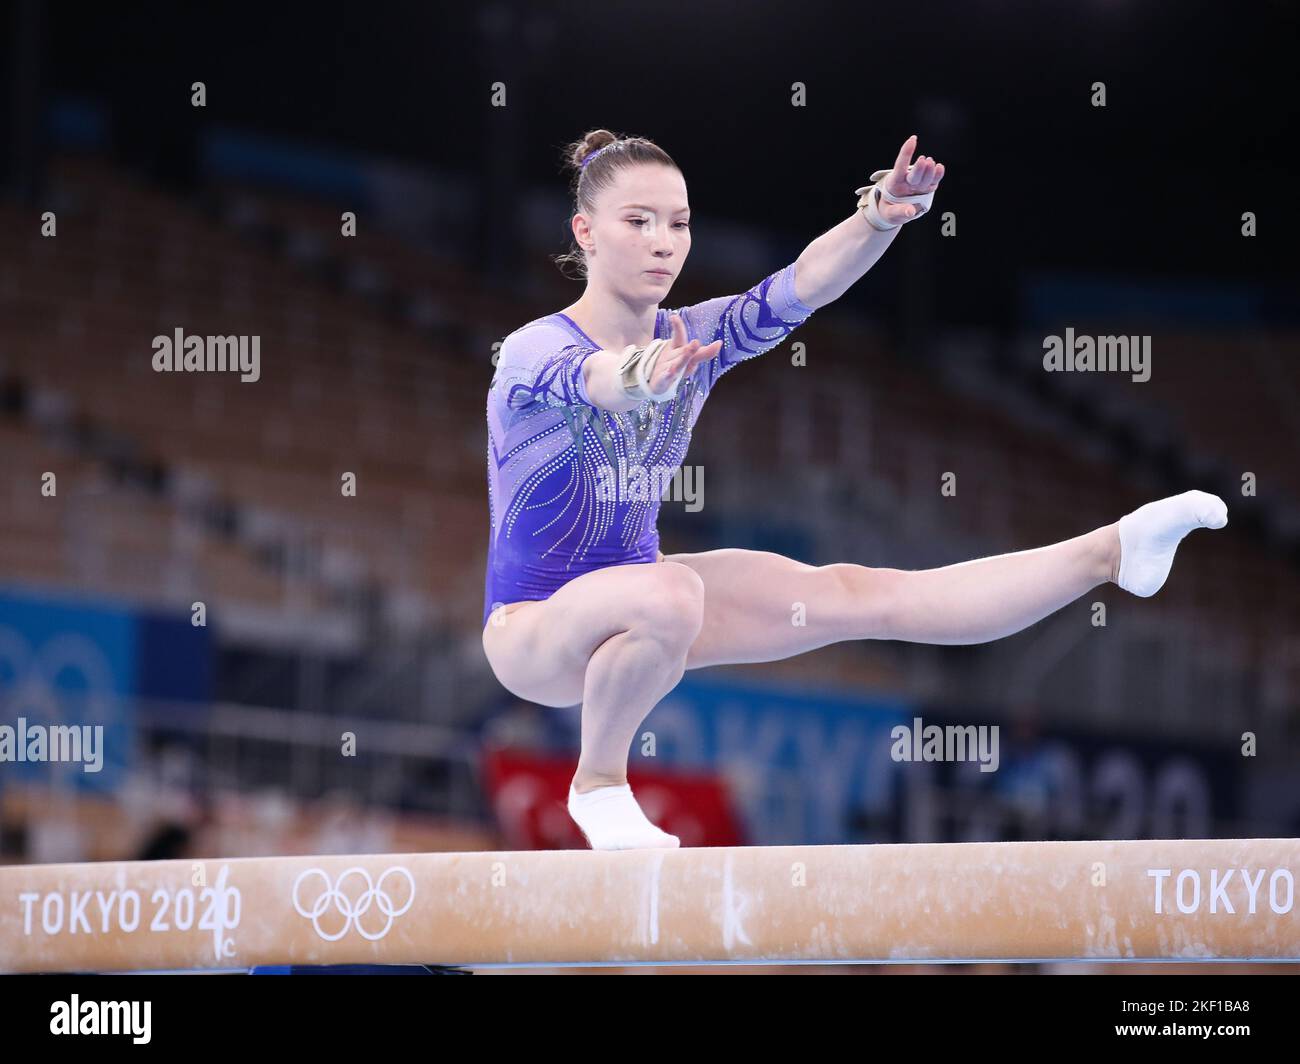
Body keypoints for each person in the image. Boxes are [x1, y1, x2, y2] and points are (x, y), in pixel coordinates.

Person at [481, 128, 1227, 850]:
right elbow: (595, 380)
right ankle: (600, 783)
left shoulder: (694, 338)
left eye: (678, 223)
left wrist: (876, 219)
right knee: (670, 593)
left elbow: (800, 287)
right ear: (585, 231)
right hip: (536, 630)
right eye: (637, 221)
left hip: (643, 608)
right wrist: (643, 374)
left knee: (861, 593)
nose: (662, 240)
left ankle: (1109, 551)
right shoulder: (533, 348)